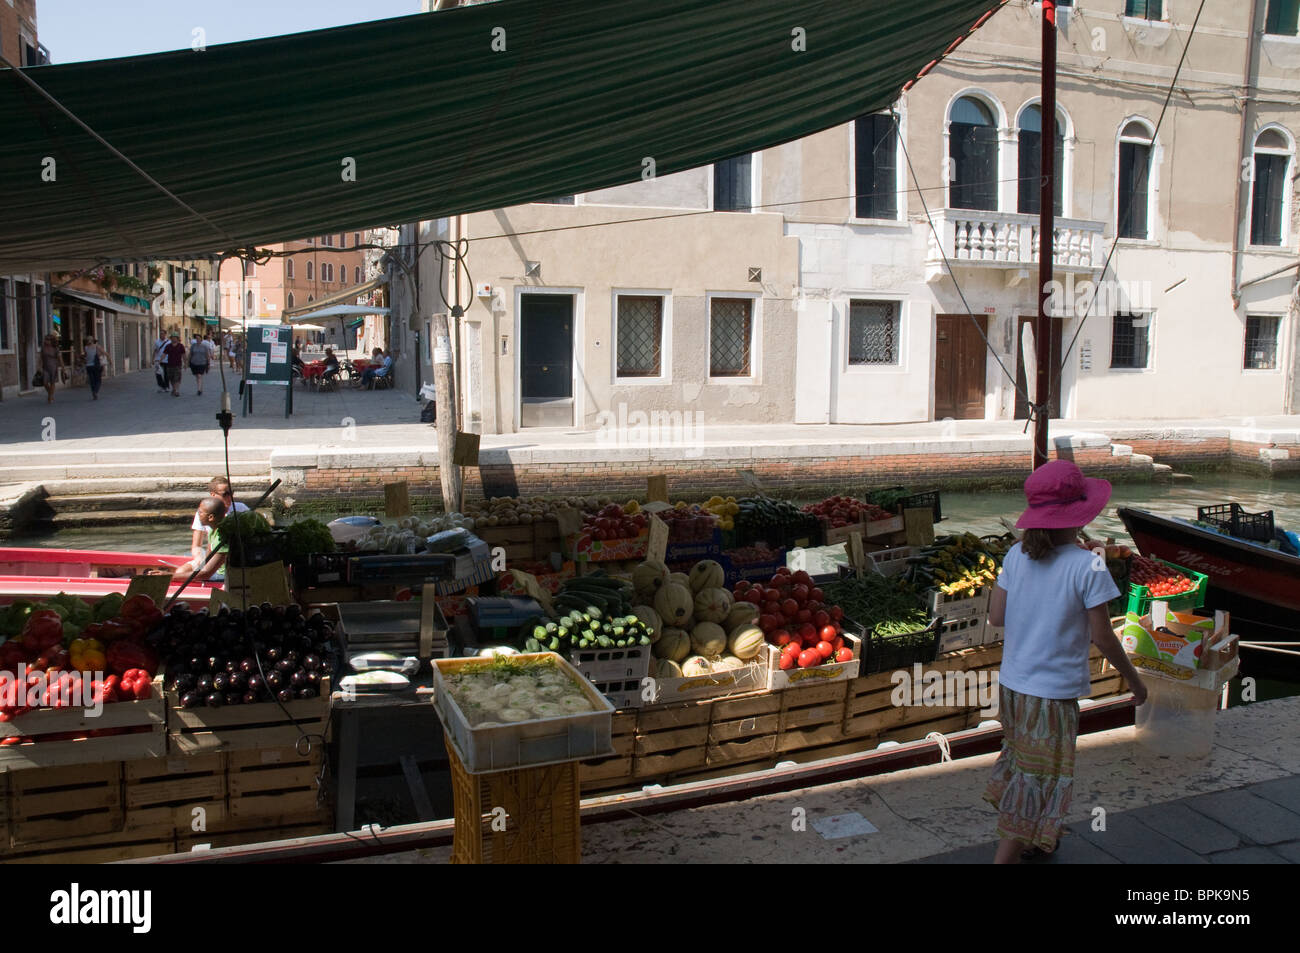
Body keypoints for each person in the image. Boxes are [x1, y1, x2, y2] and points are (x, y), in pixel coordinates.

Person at [984, 460, 1148, 864]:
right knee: (1039, 776)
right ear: (1079, 515)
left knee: (1026, 761)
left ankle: (1044, 836)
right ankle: (1007, 855)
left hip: (1013, 687)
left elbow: (996, 617)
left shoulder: (1015, 555)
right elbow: (1102, 636)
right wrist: (1135, 683)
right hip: (1052, 696)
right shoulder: (1088, 564)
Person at [189, 477, 248, 565]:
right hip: (213, 555)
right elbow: (196, 546)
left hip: (233, 559)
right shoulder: (203, 513)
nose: (229, 497)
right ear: (213, 495)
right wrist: (199, 558)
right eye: (225, 494)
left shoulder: (241, 508)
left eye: (231, 493)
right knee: (183, 569)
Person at [176, 497, 228, 581]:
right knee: (181, 571)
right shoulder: (212, 530)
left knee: (180, 578)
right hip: (213, 570)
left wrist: (169, 576)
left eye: (200, 512)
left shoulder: (222, 536)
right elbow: (207, 560)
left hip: (224, 575)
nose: (198, 514)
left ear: (210, 517)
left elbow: (205, 574)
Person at [39, 334, 64, 403]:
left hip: (53, 367)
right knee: (45, 382)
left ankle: (50, 396)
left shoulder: (55, 348)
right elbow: (40, 358)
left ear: (51, 341)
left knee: (52, 382)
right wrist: (39, 367)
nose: (46, 341)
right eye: (46, 339)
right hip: (45, 367)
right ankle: (50, 393)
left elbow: (60, 359)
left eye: (48, 339)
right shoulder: (43, 348)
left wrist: (62, 368)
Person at [82, 336, 108, 400]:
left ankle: (93, 392)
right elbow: (104, 353)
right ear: (93, 340)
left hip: (89, 366)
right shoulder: (97, 346)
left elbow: (85, 356)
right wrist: (110, 360)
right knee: (98, 380)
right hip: (96, 366)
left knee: (92, 381)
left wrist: (83, 357)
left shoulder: (85, 348)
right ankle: (95, 392)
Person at [162, 332, 186, 397]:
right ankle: (174, 389)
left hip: (178, 364)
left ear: (177, 339)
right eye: (172, 338)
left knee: (177, 378)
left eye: (175, 338)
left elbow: (183, 355)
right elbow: (164, 354)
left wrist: (185, 363)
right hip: (169, 364)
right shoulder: (168, 346)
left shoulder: (181, 346)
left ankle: (177, 391)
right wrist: (160, 361)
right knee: (171, 378)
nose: (173, 339)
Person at [189, 330, 211, 395]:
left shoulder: (204, 346)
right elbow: (190, 354)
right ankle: (200, 387)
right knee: (197, 376)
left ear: (201, 339)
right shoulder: (193, 346)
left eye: (199, 338)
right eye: (196, 339)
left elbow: (207, 355)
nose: (197, 340)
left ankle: (199, 390)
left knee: (199, 375)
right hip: (194, 362)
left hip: (202, 363)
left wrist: (208, 363)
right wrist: (188, 361)